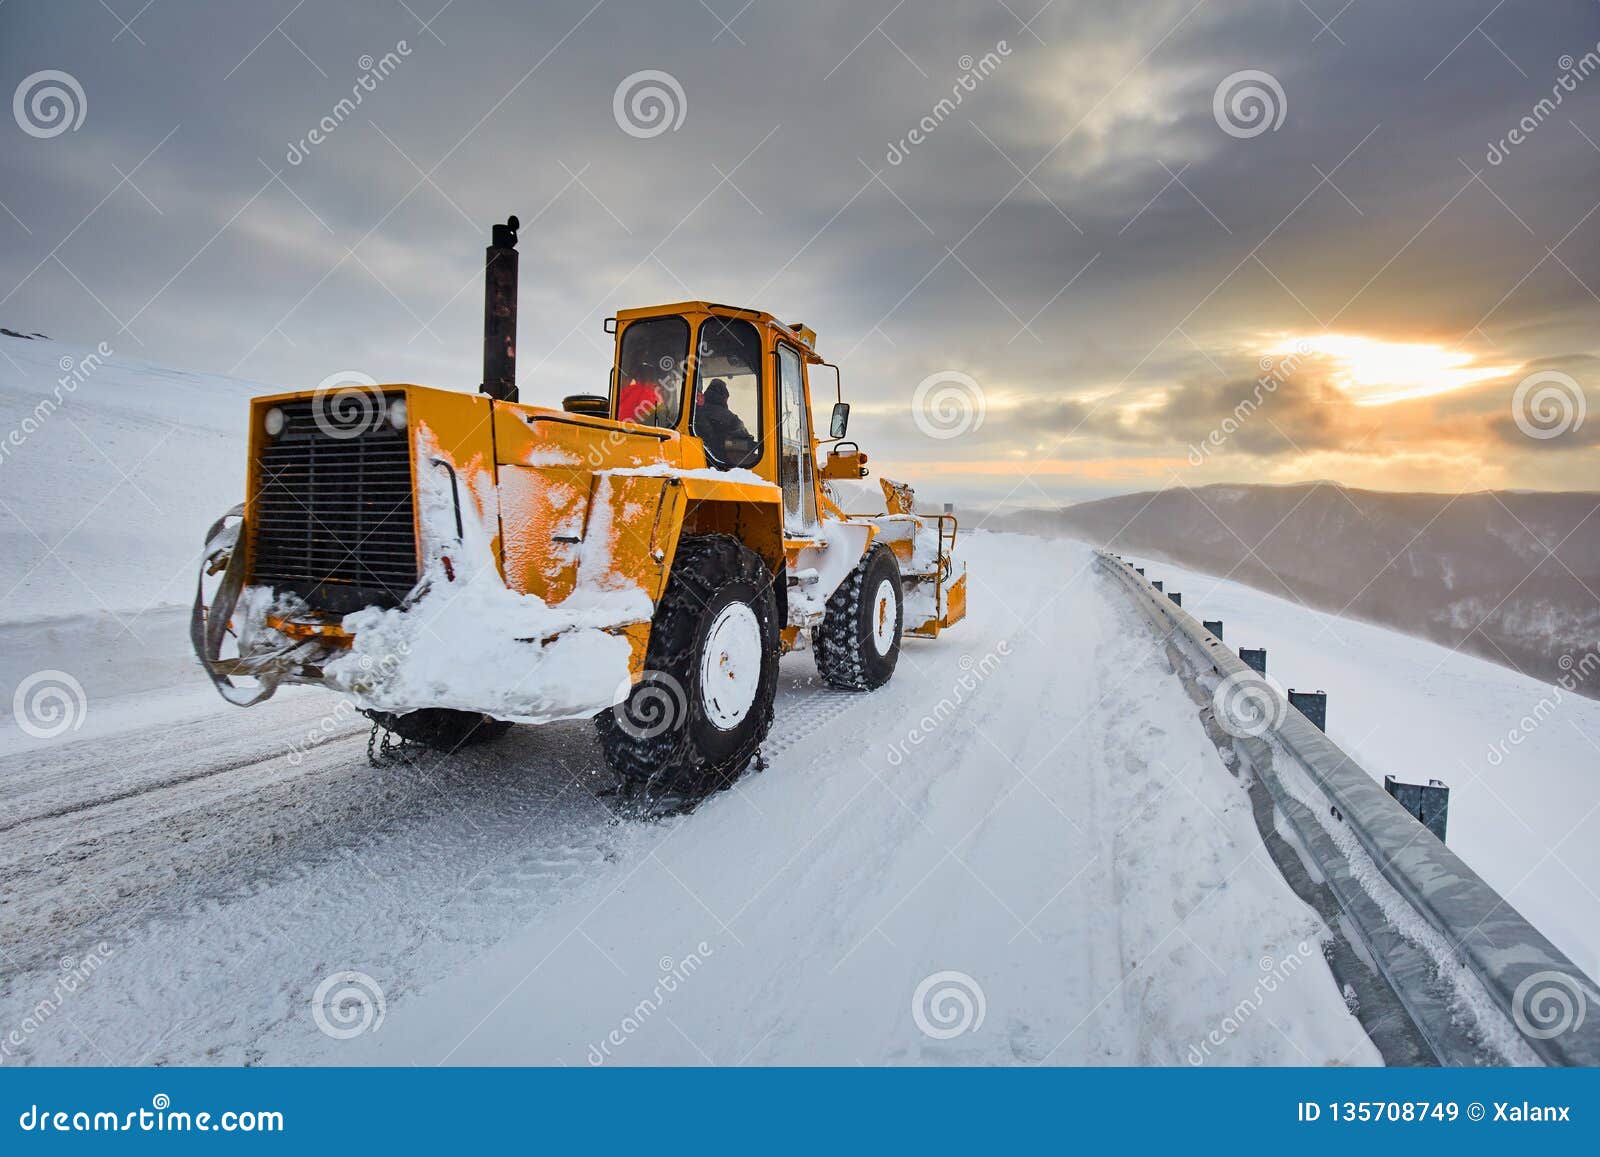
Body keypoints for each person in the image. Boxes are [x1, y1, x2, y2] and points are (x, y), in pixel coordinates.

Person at [696, 378, 752, 467]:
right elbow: (744, 445)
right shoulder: (732, 419)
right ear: (725, 397)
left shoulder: (695, 412)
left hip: (700, 460)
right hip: (721, 465)